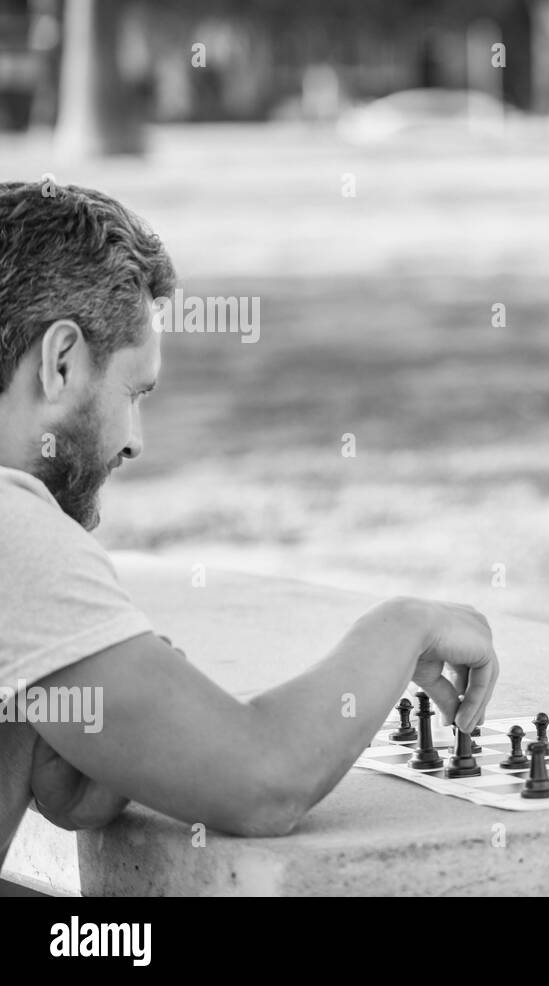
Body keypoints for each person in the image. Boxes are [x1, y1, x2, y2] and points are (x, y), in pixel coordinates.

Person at [0, 182, 499, 869]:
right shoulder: (13, 527)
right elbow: (263, 782)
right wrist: (405, 625)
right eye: (133, 394)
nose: (134, 441)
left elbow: (73, 788)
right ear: (61, 362)